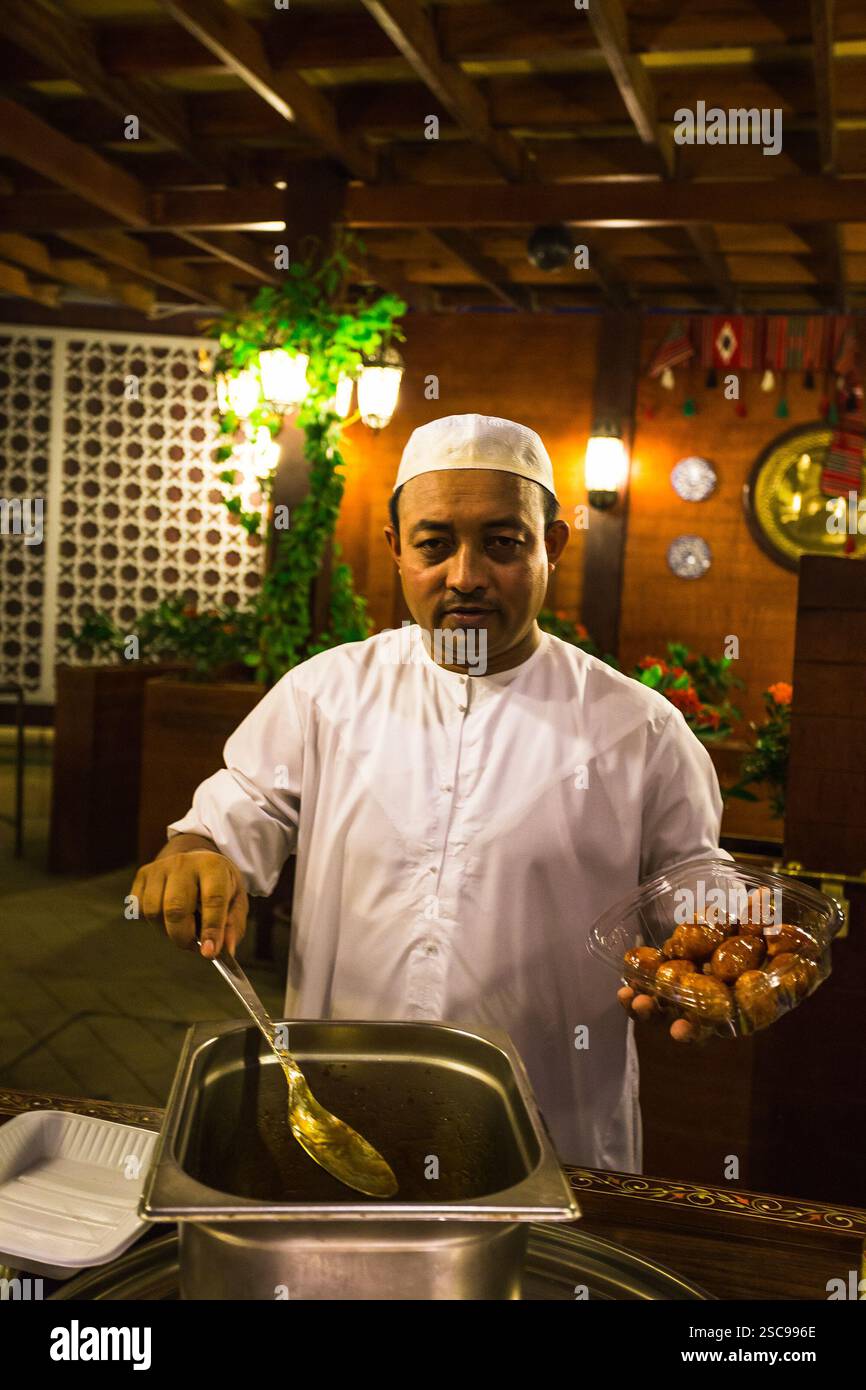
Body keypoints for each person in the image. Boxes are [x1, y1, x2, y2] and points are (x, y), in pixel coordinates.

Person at [132, 413, 730, 1171]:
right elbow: (237, 813)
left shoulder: (639, 729)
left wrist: (715, 966)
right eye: (435, 543)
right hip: (338, 1114)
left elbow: (694, 888)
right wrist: (194, 852)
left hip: (551, 1125)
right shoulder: (325, 695)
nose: (466, 575)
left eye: (503, 543)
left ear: (553, 545)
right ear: (396, 550)